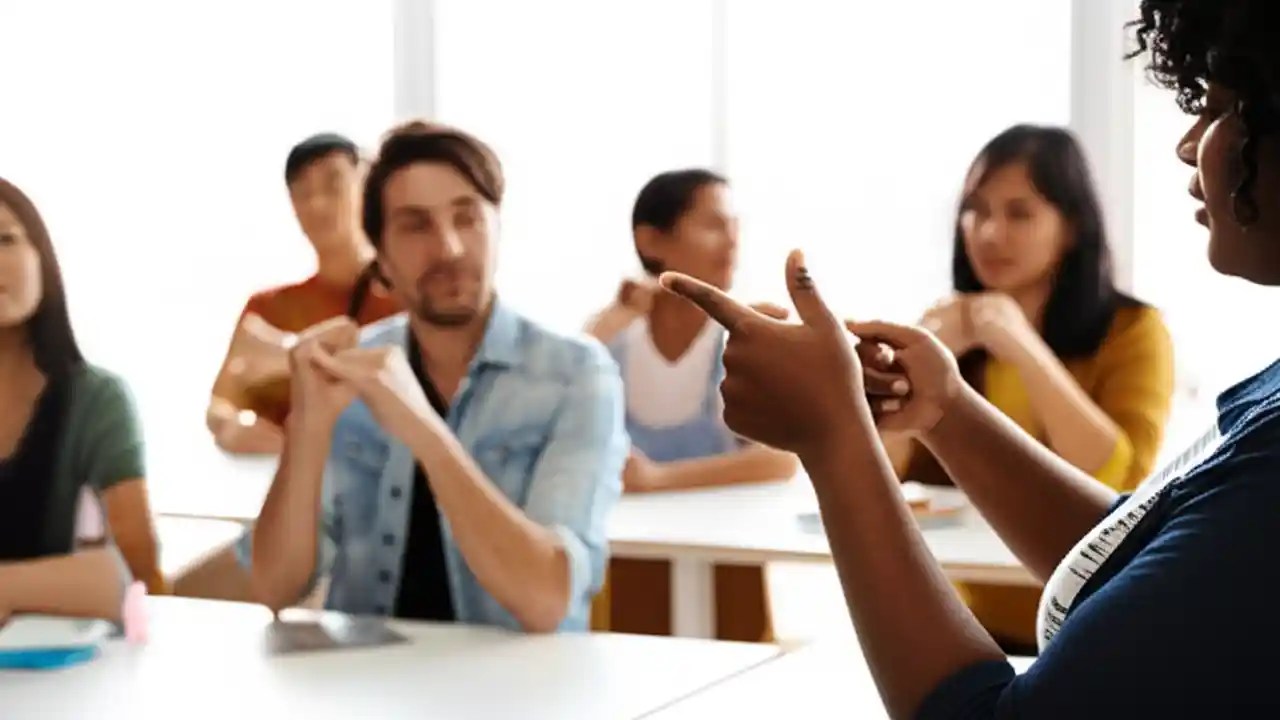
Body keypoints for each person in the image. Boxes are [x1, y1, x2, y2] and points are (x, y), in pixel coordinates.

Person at [662, 0, 1280, 714]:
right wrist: (946, 410)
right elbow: (1124, 556)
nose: (1189, 143)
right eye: (977, 209)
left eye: (1225, 106)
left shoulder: (1142, 339)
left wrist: (833, 437)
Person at [241, 121, 627, 632]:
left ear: (496, 227)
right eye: (416, 225)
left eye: (467, 218)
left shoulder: (575, 373)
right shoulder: (352, 370)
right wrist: (307, 428)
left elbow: (546, 599)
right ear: (380, 258)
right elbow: (275, 587)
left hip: (515, 697)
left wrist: (423, 428)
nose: (448, 248)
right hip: (366, 688)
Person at [890, 125, 1175, 652]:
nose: (989, 233)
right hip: (969, 621)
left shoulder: (1135, 330)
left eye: (1019, 213)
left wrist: (1021, 344)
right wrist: (921, 365)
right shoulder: (948, 329)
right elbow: (887, 472)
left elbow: (1117, 480)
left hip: (1089, 620)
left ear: (1070, 227)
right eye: (975, 210)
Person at [587, 169, 796, 641]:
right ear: (651, 240)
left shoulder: (746, 339)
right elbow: (550, 404)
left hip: (726, 565)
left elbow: (781, 461)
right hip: (629, 566)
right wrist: (611, 321)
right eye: (713, 225)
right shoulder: (612, 337)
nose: (731, 243)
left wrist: (660, 480)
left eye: (735, 228)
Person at [0, 177, 150, 619]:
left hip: (48, 666)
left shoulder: (96, 399)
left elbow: (132, 575)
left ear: (41, 256)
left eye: (5, 239)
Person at [207, 133, 402, 455]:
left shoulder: (403, 303)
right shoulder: (266, 307)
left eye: (333, 185)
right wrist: (231, 425)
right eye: (302, 191)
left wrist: (285, 355)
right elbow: (219, 403)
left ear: (365, 186)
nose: (317, 203)